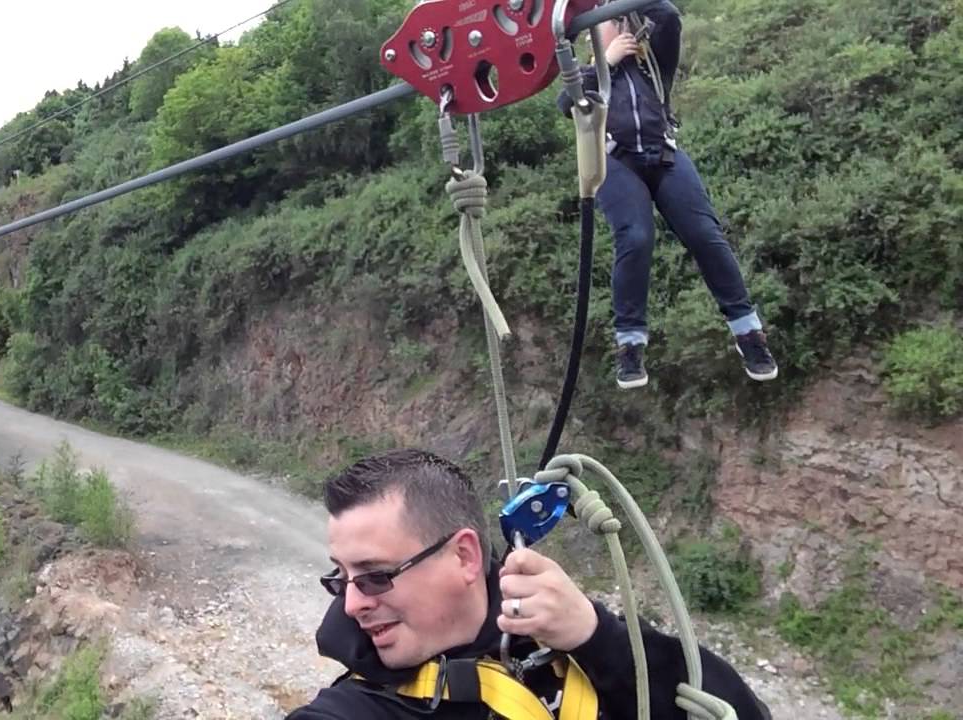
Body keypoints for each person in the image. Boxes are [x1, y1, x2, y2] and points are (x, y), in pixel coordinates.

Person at [287, 448, 771, 719]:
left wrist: (599, 638)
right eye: (341, 577)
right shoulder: (354, 710)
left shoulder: (574, 644)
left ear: (464, 557)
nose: (352, 604)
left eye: (374, 576)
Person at [556, 2, 778, 390]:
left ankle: (748, 332)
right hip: (616, 161)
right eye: (610, 24)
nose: (618, 28)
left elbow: (669, 16)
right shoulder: (588, 74)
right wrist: (604, 62)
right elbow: (567, 104)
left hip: (663, 153)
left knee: (705, 234)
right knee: (636, 236)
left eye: (622, 22)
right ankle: (630, 344)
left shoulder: (652, 67)